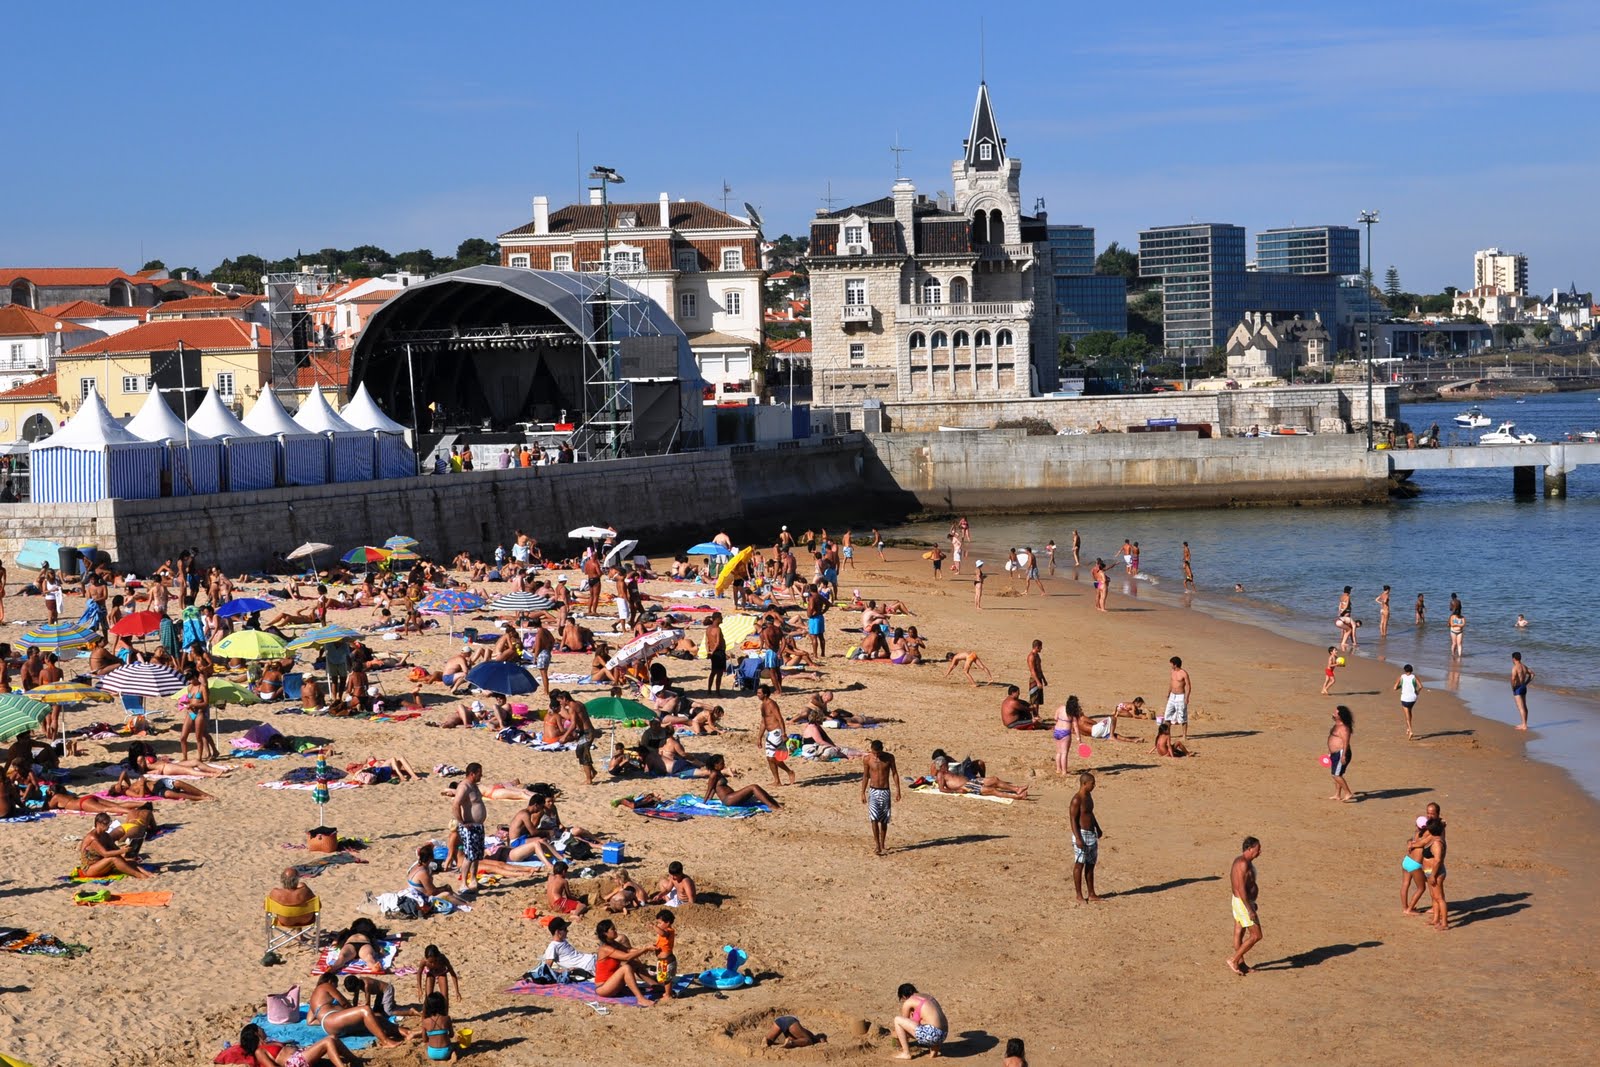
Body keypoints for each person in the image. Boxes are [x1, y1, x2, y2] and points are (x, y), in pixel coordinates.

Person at [236, 1021, 351, 1067]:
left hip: (300, 1055)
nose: (264, 1030)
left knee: (333, 1037)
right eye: (261, 1029)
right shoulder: (259, 1051)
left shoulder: (268, 1042)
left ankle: (355, 1059)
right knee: (328, 1041)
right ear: (256, 1033)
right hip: (294, 1062)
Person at [1227, 837, 1263, 976]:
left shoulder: (1242, 861)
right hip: (1243, 903)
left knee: (1239, 932)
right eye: (1257, 848)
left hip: (1240, 902)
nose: (1260, 851)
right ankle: (1234, 960)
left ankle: (1242, 965)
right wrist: (1250, 908)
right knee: (1256, 935)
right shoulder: (1243, 864)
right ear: (1249, 849)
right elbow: (1241, 888)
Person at [77, 813, 151, 879]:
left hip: (103, 865)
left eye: (109, 823)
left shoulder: (106, 835)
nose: (108, 825)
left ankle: (148, 874)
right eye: (106, 823)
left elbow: (115, 849)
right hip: (89, 868)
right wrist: (121, 851)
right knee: (114, 858)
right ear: (98, 824)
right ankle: (139, 875)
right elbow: (105, 854)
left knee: (130, 861)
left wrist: (127, 851)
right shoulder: (93, 838)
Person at [861, 738, 901, 857]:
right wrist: (862, 792)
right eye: (874, 753)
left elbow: (894, 773)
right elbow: (865, 776)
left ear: (881, 750)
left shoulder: (889, 758)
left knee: (884, 819)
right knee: (873, 818)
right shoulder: (867, 759)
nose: (876, 755)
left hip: (885, 791)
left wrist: (898, 790)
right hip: (873, 790)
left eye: (878, 753)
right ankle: (877, 845)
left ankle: (883, 844)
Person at [1070, 771, 1103, 903]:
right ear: (1084, 784)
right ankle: (1079, 895)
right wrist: (1078, 838)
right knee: (1079, 864)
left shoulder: (1088, 796)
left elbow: (1090, 814)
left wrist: (1097, 828)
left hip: (1091, 834)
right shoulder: (1077, 799)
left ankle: (1091, 893)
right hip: (1081, 834)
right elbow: (1073, 819)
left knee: (1090, 864)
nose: (1094, 785)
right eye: (1092, 783)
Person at [452, 762, 486, 891]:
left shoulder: (474, 786)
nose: (481, 776)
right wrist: (462, 822)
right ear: (472, 774)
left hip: (478, 826)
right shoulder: (464, 786)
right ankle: (463, 884)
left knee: (476, 856)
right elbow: (455, 805)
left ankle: (473, 881)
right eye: (479, 773)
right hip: (469, 827)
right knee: (469, 856)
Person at [704, 753, 780, 809]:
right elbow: (710, 789)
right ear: (715, 765)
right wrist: (704, 803)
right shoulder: (713, 775)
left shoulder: (718, 772)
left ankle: (774, 803)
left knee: (755, 788)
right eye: (722, 763)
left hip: (731, 796)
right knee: (753, 787)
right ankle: (771, 805)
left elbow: (714, 788)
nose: (724, 765)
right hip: (728, 799)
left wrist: (710, 799)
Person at [891, 983, 947, 1059]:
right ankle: (934, 1051)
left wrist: (897, 1035)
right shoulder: (928, 996)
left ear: (903, 996)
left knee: (897, 1020)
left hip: (932, 1034)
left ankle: (906, 1053)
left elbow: (904, 1025)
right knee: (928, 1023)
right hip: (943, 1034)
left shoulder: (909, 1002)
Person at [1413, 817, 1449, 930]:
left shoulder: (1437, 843)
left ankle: (1444, 923)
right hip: (1429, 872)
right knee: (1434, 897)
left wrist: (1433, 875)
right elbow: (1422, 842)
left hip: (1436, 873)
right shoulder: (1433, 838)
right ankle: (1436, 919)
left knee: (1439, 898)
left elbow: (1438, 860)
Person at [758, 685, 796, 787]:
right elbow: (763, 722)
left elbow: (780, 718)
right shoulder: (762, 705)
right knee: (769, 758)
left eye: (759, 693)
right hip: (769, 733)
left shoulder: (771, 704)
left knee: (774, 757)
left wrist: (784, 733)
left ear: (765, 694)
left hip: (776, 732)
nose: (757, 695)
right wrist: (759, 737)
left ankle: (789, 771)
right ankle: (777, 781)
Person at [418, 944, 461, 1010]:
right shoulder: (424, 961)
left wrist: (457, 991)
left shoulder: (443, 959)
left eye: (435, 961)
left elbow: (452, 974)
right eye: (431, 962)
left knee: (444, 997)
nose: (433, 964)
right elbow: (419, 973)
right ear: (427, 959)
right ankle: (427, 1015)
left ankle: (445, 1015)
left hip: (441, 973)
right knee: (428, 997)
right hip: (431, 973)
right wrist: (419, 989)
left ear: (438, 957)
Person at [1328, 705, 1354, 802]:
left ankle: (1348, 793)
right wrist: (1330, 752)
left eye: (1336, 712)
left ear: (1340, 715)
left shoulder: (1344, 728)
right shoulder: (1337, 725)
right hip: (1335, 754)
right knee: (1338, 774)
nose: (1334, 713)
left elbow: (1346, 742)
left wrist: (1343, 756)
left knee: (1335, 775)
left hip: (1341, 754)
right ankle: (1337, 794)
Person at [419, 991, 455, 1062]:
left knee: (425, 1046)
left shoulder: (425, 1022)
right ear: (442, 1005)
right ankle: (453, 1055)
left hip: (432, 1054)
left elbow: (425, 1040)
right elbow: (451, 1035)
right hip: (445, 1052)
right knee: (453, 1046)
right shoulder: (447, 1018)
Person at [1053, 696, 1083, 775]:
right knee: (1064, 753)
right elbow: (1076, 727)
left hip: (1056, 731)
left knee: (1058, 752)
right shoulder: (1072, 714)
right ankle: (1064, 771)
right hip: (1065, 733)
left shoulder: (1060, 708)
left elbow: (1055, 718)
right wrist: (1078, 739)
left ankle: (1058, 769)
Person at [1165, 656, 1192, 742]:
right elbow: (1171, 682)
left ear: (1175, 664)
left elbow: (1188, 686)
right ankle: (1167, 734)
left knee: (1182, 716)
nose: (1170, 666)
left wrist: (1187, 697)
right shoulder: (1172, 672)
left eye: (1171, 664)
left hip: (1181, 696)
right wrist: (1168, 693)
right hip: (1172, 696)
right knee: (1167, 714)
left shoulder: (1184, 673)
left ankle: (1184, 735)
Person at [1394, 664, 1423, 739]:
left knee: (1407, 716)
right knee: (1409, 712)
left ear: (1404, 670)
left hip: (1404, 698)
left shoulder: (1402, 676)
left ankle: (1410, 730)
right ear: (1411, 670)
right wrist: (1417, 692)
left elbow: (1395, 688)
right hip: (1413, 698)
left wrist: (1401, 686)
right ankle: (1407, 729)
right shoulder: (1414, 676)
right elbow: (1420, 686)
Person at [1510, 651, 1534, 731]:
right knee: (1524, 706)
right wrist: (1526, 683)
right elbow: (1532, 674)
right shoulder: (1524, 667)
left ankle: (1524, 725)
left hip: (1518, 688)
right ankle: (1524, 723)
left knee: (1520, 707)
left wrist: (1513, 687)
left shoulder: (1515, 668)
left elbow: (1513, 679)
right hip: (1523, 687)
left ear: (1513, 659)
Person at [1025, 639, 1047, 714]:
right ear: (1037, 647)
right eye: (1041, 647)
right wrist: (1038, 682)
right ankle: (1034, 715)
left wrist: (1044, 679)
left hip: (1039, 678)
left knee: (1038, 700)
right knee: (1034, 699)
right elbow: (1032, 670)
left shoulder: (1037, 655)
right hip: (1034, 680)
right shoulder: (1031, 656)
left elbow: (1039, 668)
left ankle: (1036, 714)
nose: (1041, 648)